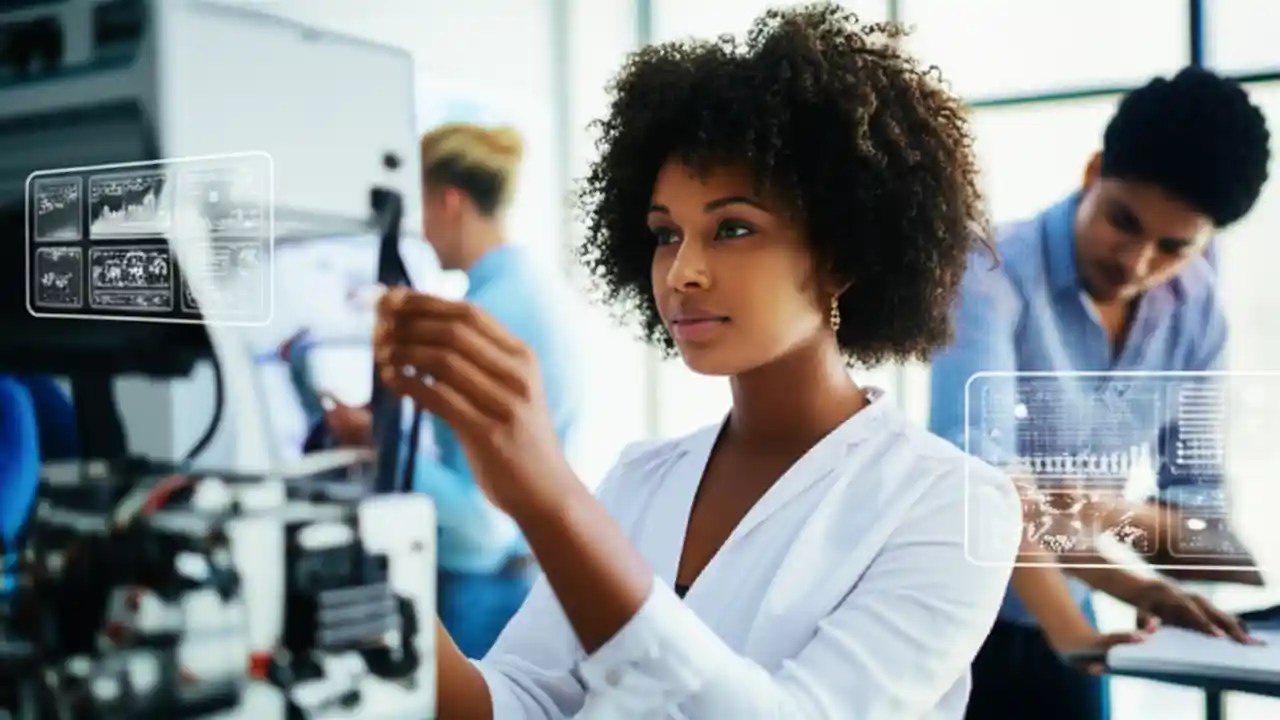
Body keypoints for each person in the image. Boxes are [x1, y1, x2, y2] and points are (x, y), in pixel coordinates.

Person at [373, 7, 1022, 718]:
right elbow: (523, 701)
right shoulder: (641, 477)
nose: (681, 272)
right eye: (664, 234)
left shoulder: (949, 504)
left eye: (733, 228)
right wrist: (371, 588)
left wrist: (547, 500)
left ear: (844, 253)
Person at [928, 66, 1271, 720]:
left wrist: (1101, 511)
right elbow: (983, 484)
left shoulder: (1197, 309)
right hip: (954, 615)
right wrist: (1124, 583)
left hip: (1070, 614)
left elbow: (1201, 531)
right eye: (1124, 222)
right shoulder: (989, 271)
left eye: (1174, 247)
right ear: (1092, 172)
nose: (1137, 262)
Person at [325, 122, 583, 659]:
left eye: (420, 206)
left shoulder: (489, 315)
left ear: (449, 201)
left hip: (484, 586)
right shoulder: (531, 288)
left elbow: (480, 519)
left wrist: (375, 440)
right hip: (528, 574)